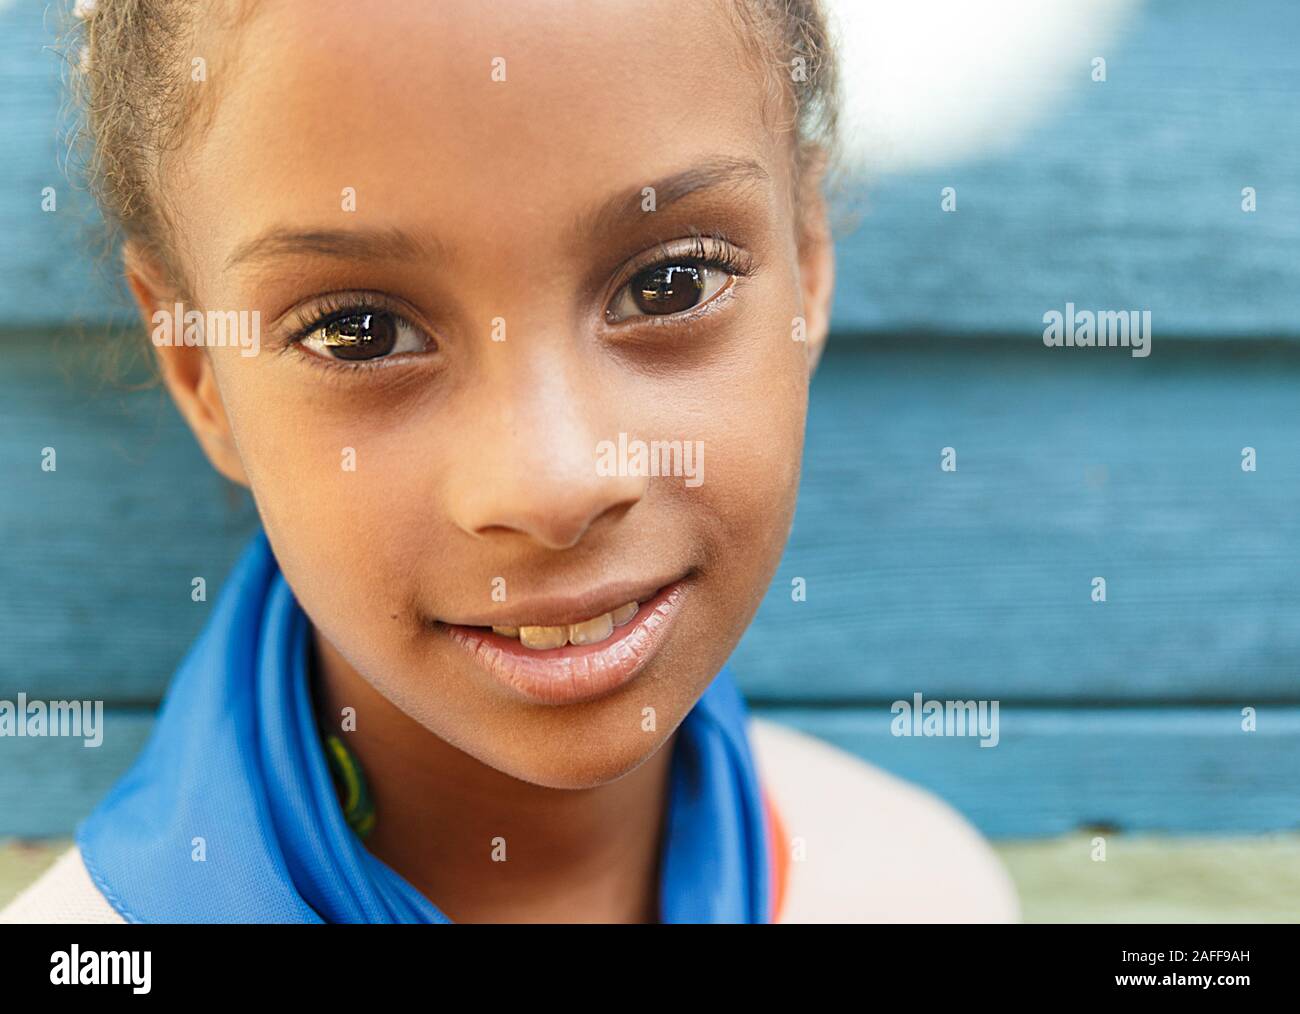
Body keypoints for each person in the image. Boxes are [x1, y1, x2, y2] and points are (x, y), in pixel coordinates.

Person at [2, 0, 1018, 923]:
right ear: (199, 374)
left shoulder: (917, 890)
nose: (552, 485)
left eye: (667, 285)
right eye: (358, 331)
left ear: (807, 265)